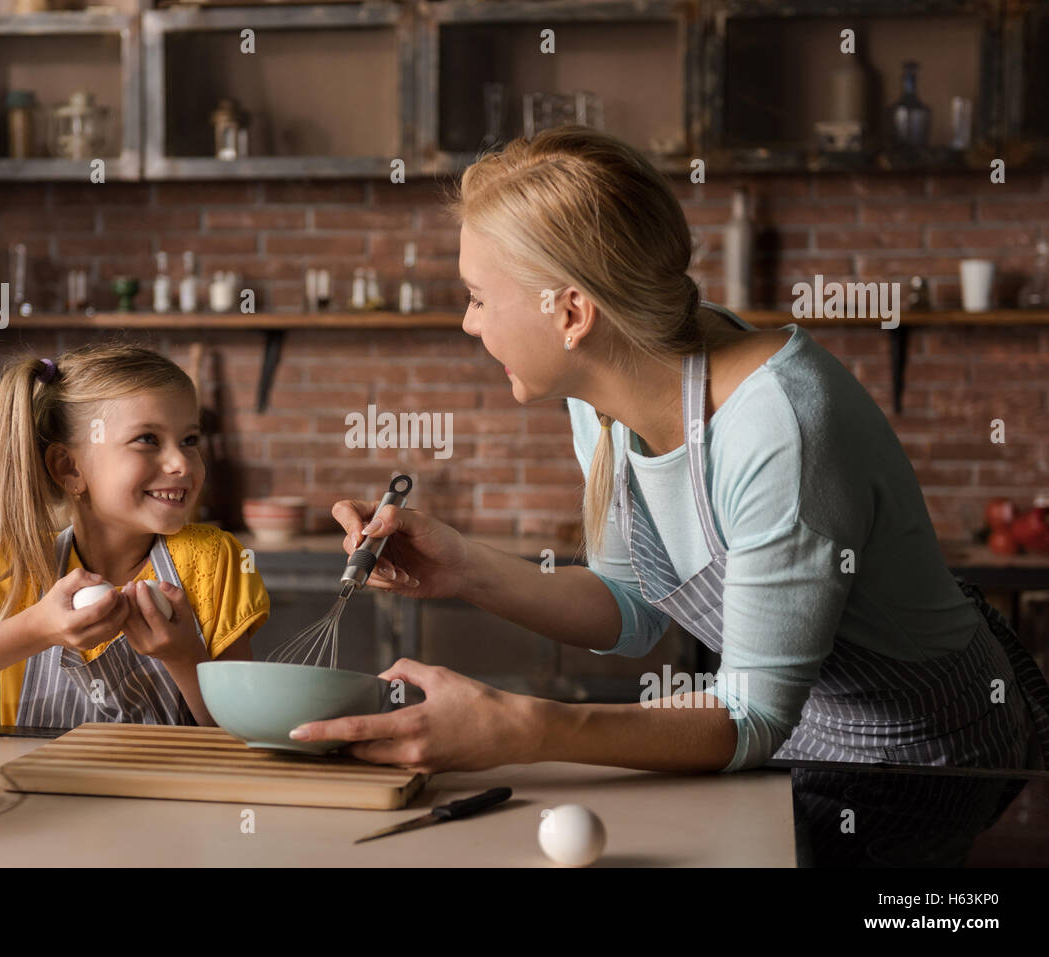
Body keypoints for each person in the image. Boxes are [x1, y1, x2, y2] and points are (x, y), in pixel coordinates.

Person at [289, 126, 1049, 776]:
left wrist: (524, 727)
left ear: (572, 314)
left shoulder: (777, 426)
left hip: (927, 751)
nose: (468, 322)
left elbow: (748, 714)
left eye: (479, 296)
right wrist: (462, 566)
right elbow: (631, 611)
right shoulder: (606, 397)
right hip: (796, 730)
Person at [0, 343, 269, 727]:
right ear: (69, 468)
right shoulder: (19, 561)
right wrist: (37, 628)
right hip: (42, 788)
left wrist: (184, 657)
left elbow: (244, 734)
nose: (181, 463)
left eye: (190, 440)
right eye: (147, 439)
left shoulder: (215, 559)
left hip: (177, 788)